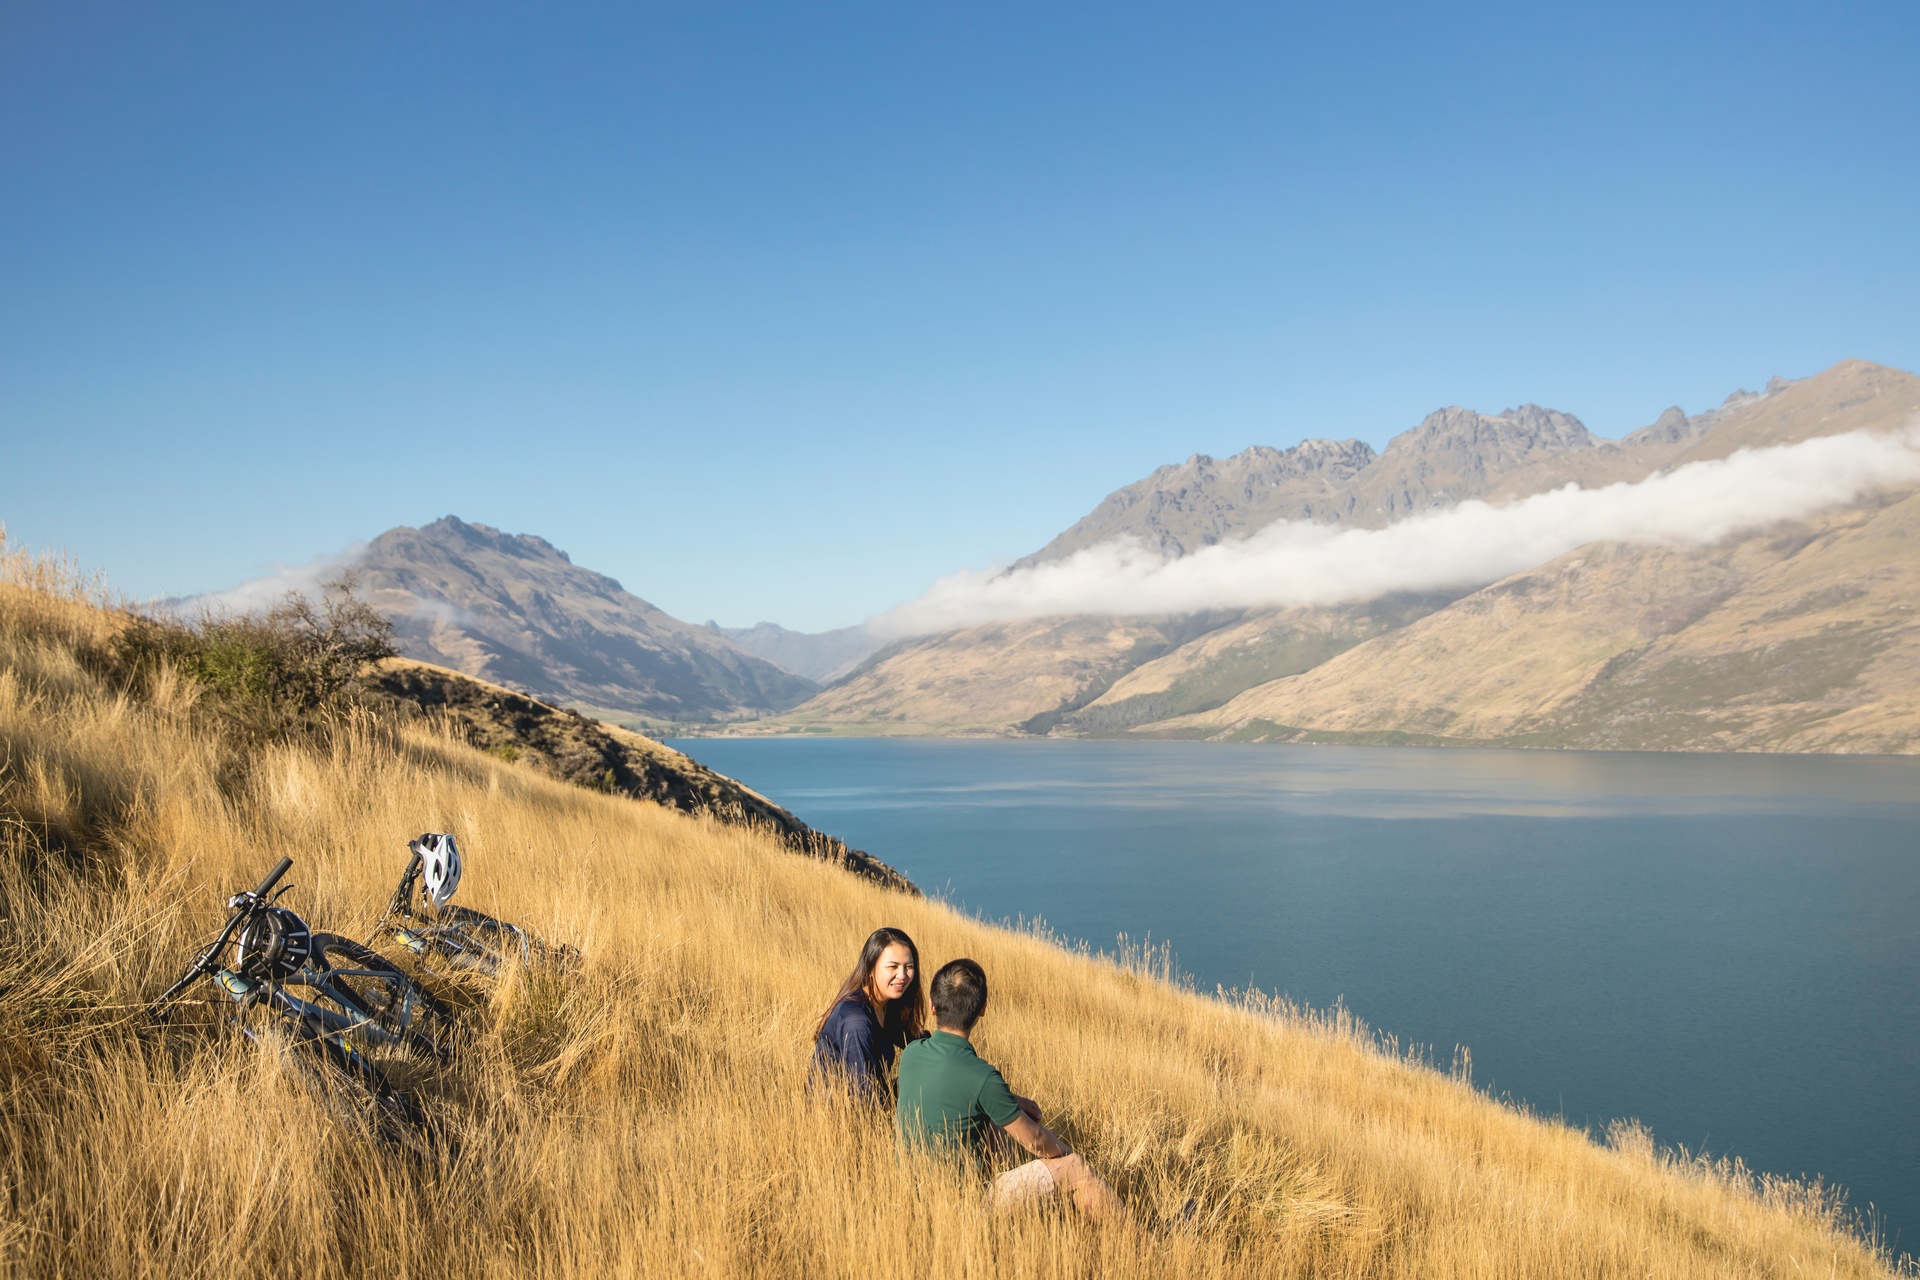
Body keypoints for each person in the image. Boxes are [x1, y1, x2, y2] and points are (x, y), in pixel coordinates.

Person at [894, 957, 1128, 1224]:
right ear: (982, 1009)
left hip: (915, 1195)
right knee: (1074, 1166)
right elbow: (1036, 1140)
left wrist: (1011, 1101)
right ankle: (1143, 1245)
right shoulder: (982, 1076)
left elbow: (950, 1088)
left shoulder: (912, 1053)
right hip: (965, 1205)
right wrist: (1066, 1153)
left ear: (933, 1007)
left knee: (994, 1125)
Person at [811, 927, 928, 1100]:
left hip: (870, 1100)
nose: (902, 975)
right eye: (893, 967)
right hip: (838, 1115)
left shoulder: (887, 1005)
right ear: (871, 969)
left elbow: (923, 1044)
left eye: (908, 967)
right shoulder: (856, 1021)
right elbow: (862, 1094)